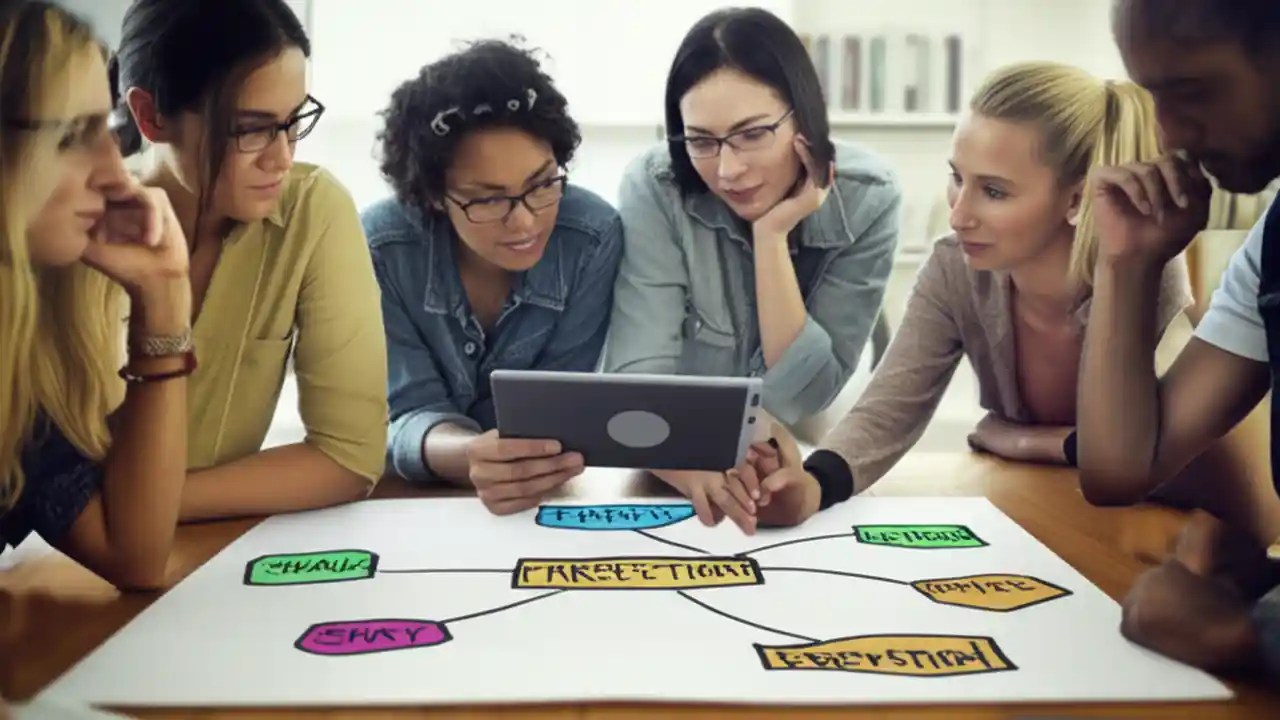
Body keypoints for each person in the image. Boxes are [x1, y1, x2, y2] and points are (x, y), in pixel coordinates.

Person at [736, 61, 1279, 537]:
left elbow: (1159, 458)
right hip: (1063, 512)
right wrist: (813, 485)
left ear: (1076, 200)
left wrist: (1028, 442)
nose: (958, 213)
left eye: (993, 191)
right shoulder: (956, 268)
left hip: (1208, 524)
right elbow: (888, 410)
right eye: (957, 179)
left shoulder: (1143, 276)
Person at [601, 7, 901, 527]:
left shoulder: (868, 199)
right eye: (700, 141)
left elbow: (804, 395)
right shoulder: (655, 186)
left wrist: (771, 237)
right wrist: (696, 466)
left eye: (753, 133)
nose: (728, 169)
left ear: (804, 118)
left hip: (782, 450)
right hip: (674, 469)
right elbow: (637, 385)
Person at [110, 0, 388, 521]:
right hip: (61, 561)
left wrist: (142, 509)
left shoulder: (313, 209)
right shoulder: (76, 226)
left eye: (292, 121)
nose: (281, 157)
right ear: (150, 116)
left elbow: (349, 457)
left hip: (199, 548)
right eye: (251, 129)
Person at [1076, 0, 1280, 680]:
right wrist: (1128, 263)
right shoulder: (1273, 246)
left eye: (1191, 92)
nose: (1169, 136)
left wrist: (1248, 638)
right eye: (1153, 97)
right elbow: (1120, 468)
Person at [363, 39, 623, 516]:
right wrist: (466, 455)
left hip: (537, 506)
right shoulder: (382, 248)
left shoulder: (590, 237)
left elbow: (555, 411)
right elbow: (397, 413)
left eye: (542, 183)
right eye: (487, 199)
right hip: (410, 507)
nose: (525, 222)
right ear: (434, 196)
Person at [0, 1, 190, 590]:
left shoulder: (17, 360)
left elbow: (132, 554)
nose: (115, 175)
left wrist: (164, 293)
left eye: (105, 131)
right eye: (69, 137)